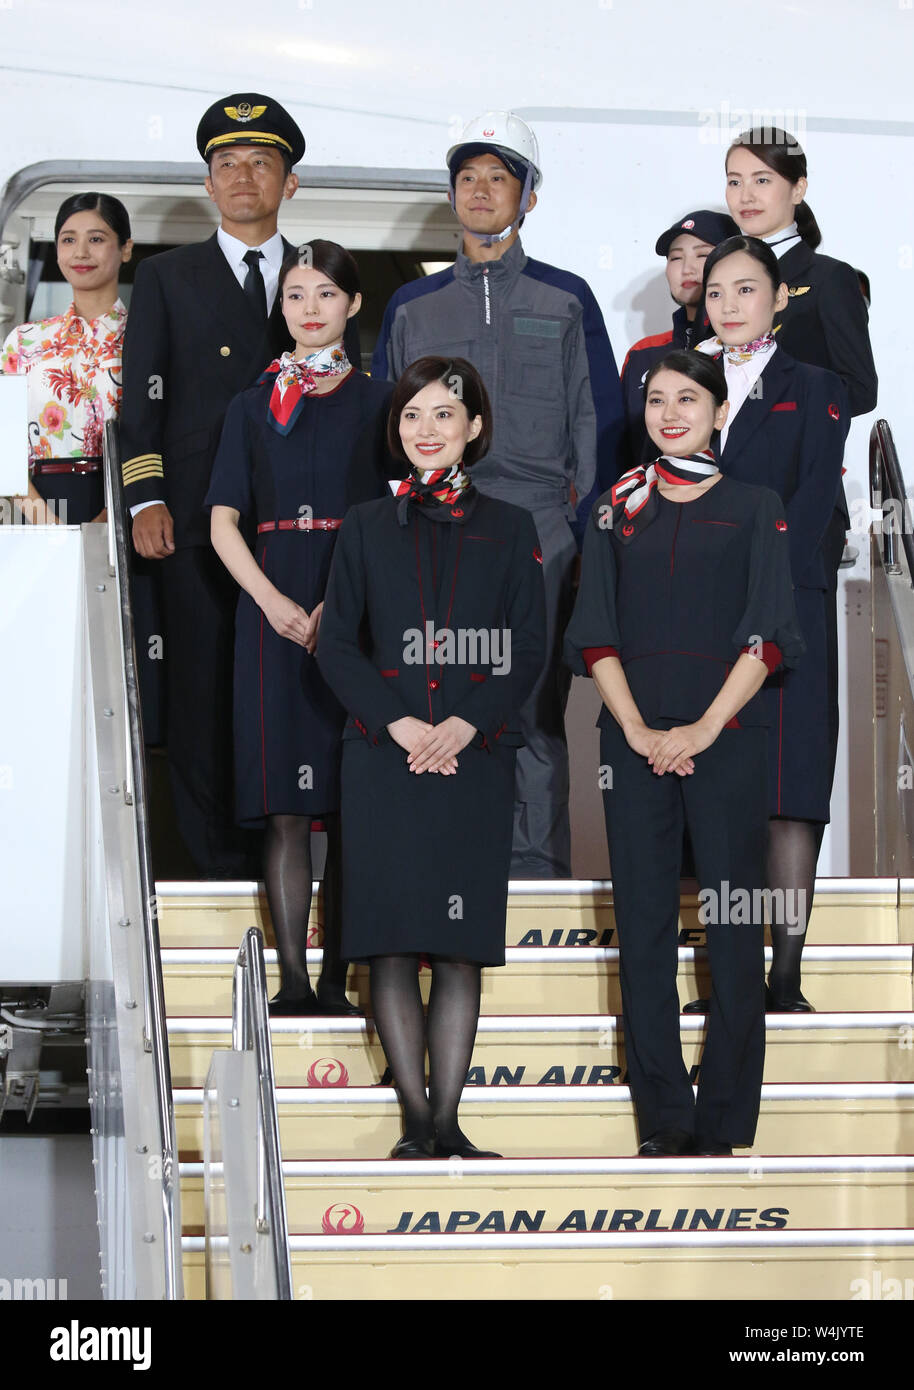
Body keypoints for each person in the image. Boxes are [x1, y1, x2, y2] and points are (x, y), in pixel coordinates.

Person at [371, 111, 624, 879]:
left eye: (499, 178)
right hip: (438, 526)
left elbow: (601, 421)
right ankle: (449, 875)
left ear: (529, 197)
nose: (482, 192)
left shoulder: (567, 298)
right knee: (437, 697)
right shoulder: (412, 307)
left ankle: (534, 883)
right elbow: (386, 425)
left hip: (544, 525)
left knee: (535, 712)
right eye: (468, 178)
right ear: (452, 195)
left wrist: (586, 537)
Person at [564, 350, 805, 1156]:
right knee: (642, 929)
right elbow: (594, 632)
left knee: (736, 929)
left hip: (728, 740)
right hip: (631, 743)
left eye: (689, 399)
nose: (671, 413)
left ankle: (727, 1119)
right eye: (657, 399)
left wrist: (700, 730)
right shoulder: (613, 510)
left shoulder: (754, 503)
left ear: (718, 412)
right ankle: (664, 1117)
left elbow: (769, 636)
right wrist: (637, 732)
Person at [317, 356, 546, 1158]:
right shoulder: (365, 525)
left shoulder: (512, 527)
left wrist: (464, 727)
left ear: (475, 427)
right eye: (412, 416)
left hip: (475, 760)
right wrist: (404, 726)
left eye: (445, 415)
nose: (426, 430)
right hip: (383, 758)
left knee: (457, 948)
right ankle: (415, 1123)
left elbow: (526, 649)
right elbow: (338, 645)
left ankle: (450, 1121)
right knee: (386, 942)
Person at [118, 92, 351, 878]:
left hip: (301, 528)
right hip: (192, 523)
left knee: (296, 695)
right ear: (208, 186)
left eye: (262, 162)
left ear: (290, 183)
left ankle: (291, 875)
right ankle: (209, 874)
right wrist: (146, 497)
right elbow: (139, 396)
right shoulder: (164, 276)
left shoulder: (320, 272)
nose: (244, 176)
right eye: (227, 165)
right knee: (201, 694)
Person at [206, 241, 391, 1016]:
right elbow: (221, 522)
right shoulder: (251, 405)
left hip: (357, 609)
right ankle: (290, 978)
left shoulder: (384, 401)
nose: (309, 308)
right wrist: (274, 602)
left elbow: (393, 516)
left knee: (351, 802)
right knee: (285, 804)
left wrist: (338, 608)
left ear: (351, 305)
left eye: (324, 293)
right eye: (294, 295)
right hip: (269, 608)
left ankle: (343, 981)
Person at [682, 236, 848, 1016]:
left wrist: (762, 577)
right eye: (716, 293)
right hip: (700, 614)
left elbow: (815, 496)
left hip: (788, 607)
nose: (729, 306)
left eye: (746, 290)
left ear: (780, 298)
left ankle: (785, 970)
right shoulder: (683, 385)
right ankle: (730, 970)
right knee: (721, 793)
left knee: (789, 789)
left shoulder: (815, 385)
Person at [1, 192, 132, 524]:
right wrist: (48, 524)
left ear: (125, 248)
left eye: (97, 239)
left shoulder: (146, 339)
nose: (81, 252)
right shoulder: (25, 341)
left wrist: (112, 518)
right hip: (38, 502)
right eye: (68, 239)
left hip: (128, 501)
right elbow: (5, 451)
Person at [619, 210, 736, 471]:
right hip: (652, 503)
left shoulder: (748, 350)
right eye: (676, 257)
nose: (687, 268)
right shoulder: (643, 354)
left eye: (703, 255)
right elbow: (622, 447)